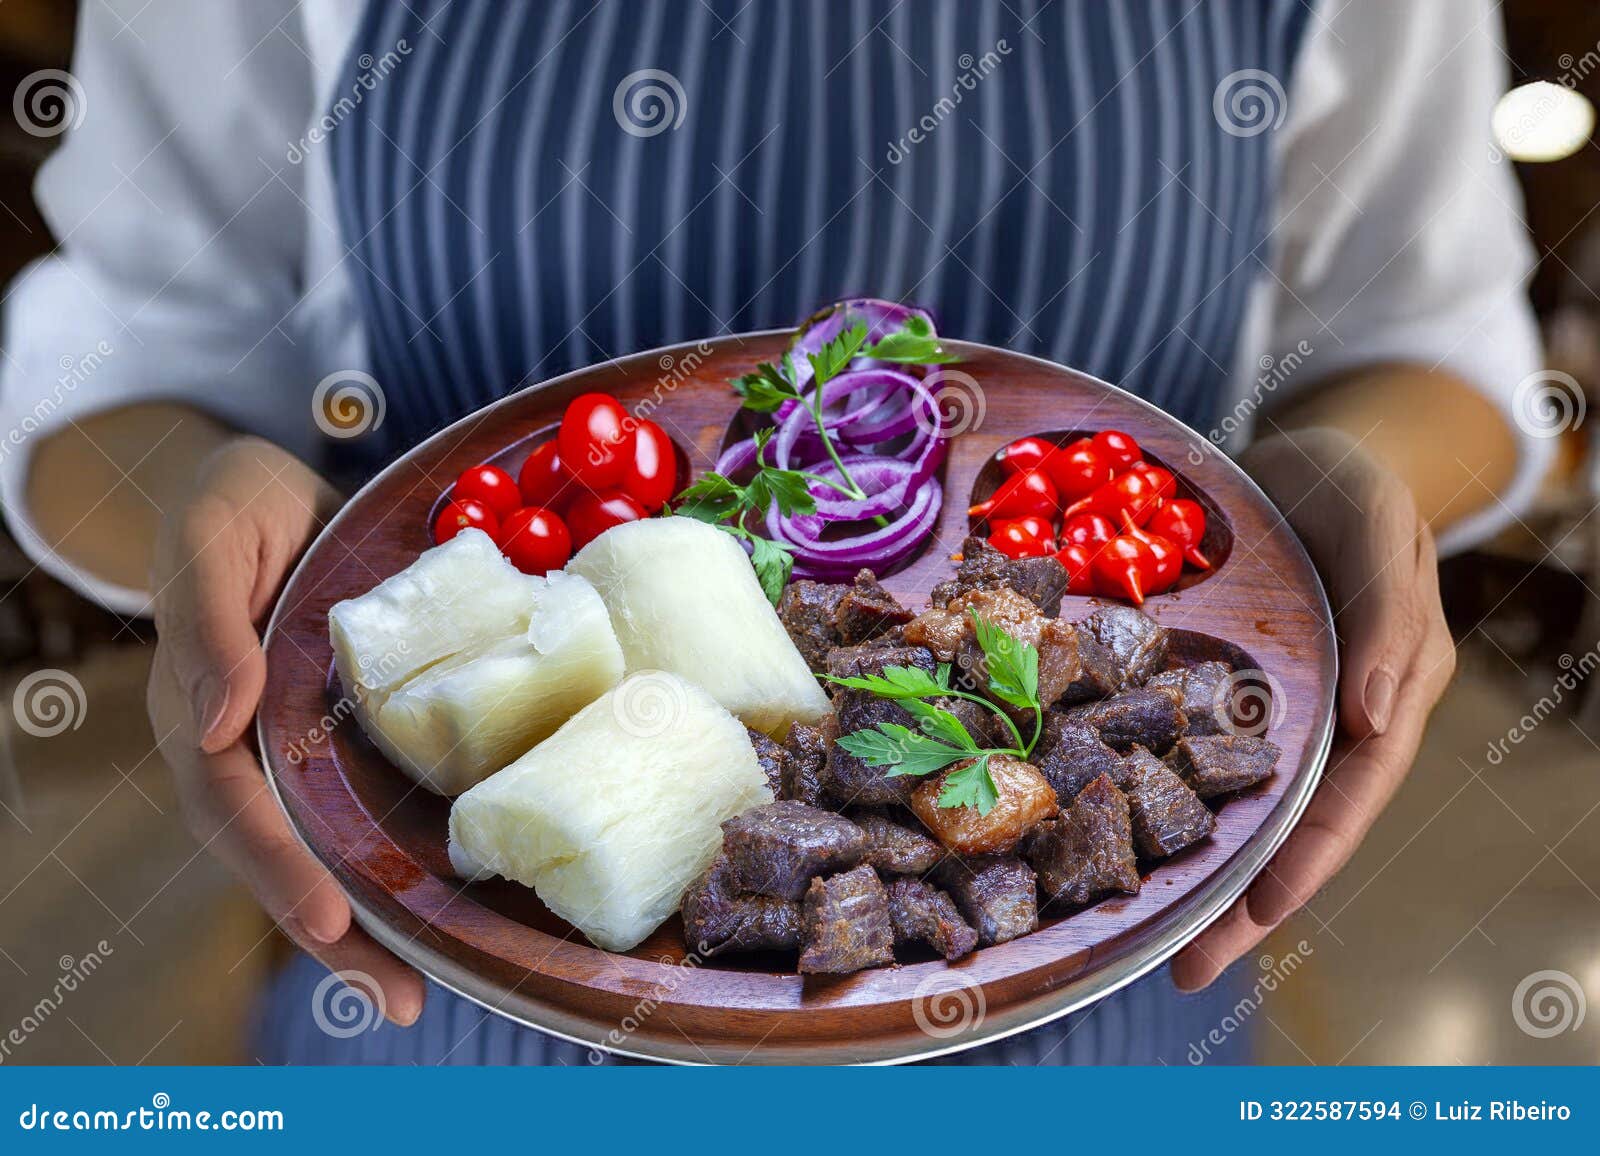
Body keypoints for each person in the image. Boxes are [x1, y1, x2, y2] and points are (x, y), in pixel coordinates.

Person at [0, 0, 1549, 1064]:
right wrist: (196, 515)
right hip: (459, 1009)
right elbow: (122, 351)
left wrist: (1354, 481)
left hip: (1117, 1029)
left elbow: (1441, 337)